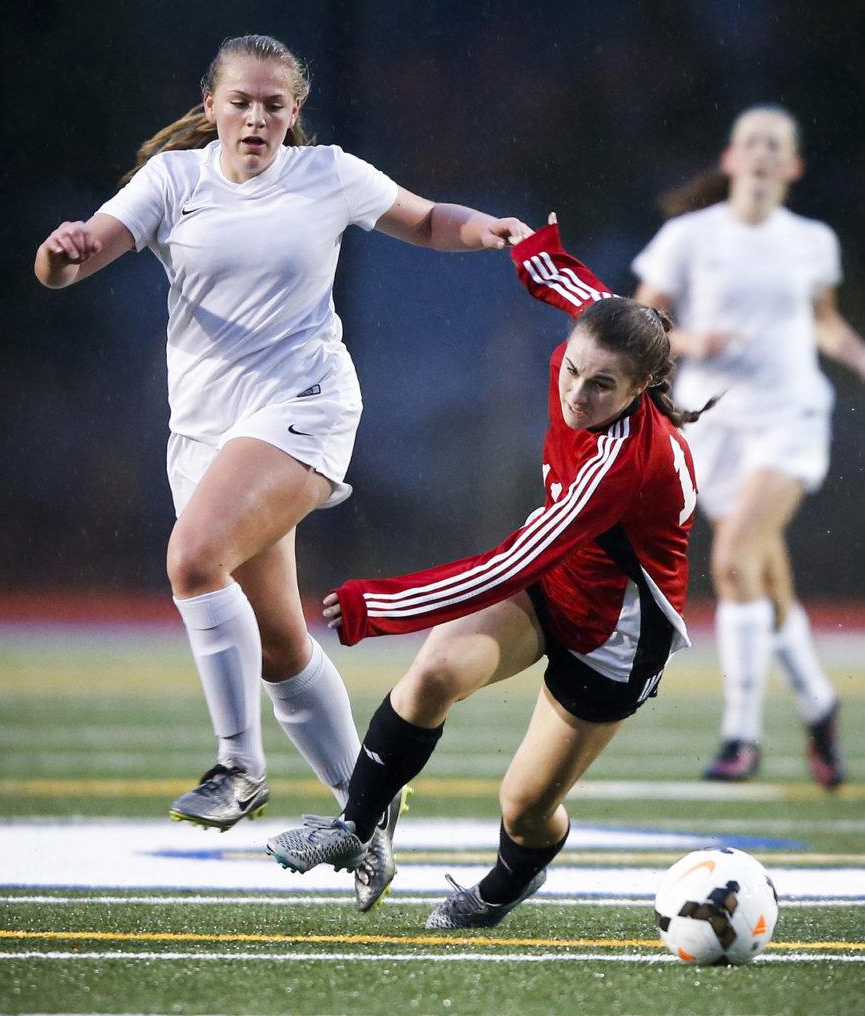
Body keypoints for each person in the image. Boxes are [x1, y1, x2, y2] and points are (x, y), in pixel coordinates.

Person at [33, 33, 531, 912]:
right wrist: (64, 251)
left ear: (294, 110)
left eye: (274, 103)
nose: (257, 117)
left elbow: (422, 218)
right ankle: (365, 815)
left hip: (307, 406)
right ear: (213, 104)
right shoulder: (172, 183)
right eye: (242, 101)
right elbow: (77, 259)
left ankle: (239, 765)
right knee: (280, 645)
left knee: (193, 561)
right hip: (206, 436)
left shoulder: (327, 173)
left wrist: (484, 229)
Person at [265, 216, 713, 929]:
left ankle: (503, 888)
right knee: (435, 672)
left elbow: (512, 562)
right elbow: (574, 290)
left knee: (526, 807)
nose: (577, 393)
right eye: (572, 368)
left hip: (615, 639)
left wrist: (378, 605)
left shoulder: (623, 466)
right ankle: (353, 827)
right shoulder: (603, 336)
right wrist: (530, 249)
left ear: (641, 389)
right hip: (555, 585)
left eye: (602, 386)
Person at [632, 104, 865, 788]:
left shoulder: (812, 240)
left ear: (791, 167)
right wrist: (688, 341)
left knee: (733, 561)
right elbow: (642, 322)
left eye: (777, 146)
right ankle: (820, 704)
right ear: (731, 159)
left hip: (790, 416)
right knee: (763, 574)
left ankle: (741, 735)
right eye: (751, 143)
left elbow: (824, 324)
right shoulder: (688, 236)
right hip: (714, 423)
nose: (762, 154)